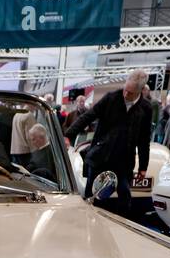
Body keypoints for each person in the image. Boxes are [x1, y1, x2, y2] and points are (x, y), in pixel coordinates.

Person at [63, 69, 153, 211]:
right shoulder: (111, 98)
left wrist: (143, 167)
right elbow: (89, 116)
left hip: (124, 161)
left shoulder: (146, 108)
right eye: (125, 89)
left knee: (125, 197)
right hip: (100, 156)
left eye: (130, 92)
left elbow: (144, 139)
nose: (125, 94)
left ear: (140, 91)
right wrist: (68, 134)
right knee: (91, 196)